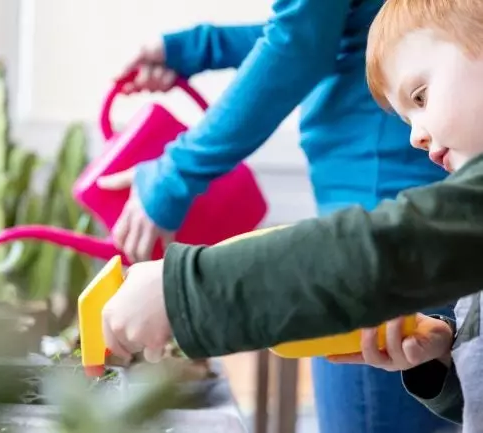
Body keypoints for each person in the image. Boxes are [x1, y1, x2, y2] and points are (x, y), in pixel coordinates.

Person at [97, 1, 453, 432]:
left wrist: (174, 178)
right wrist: (199, 49)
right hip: (403, 213)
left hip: (378, 225)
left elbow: (301, 43)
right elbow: (338, 31)